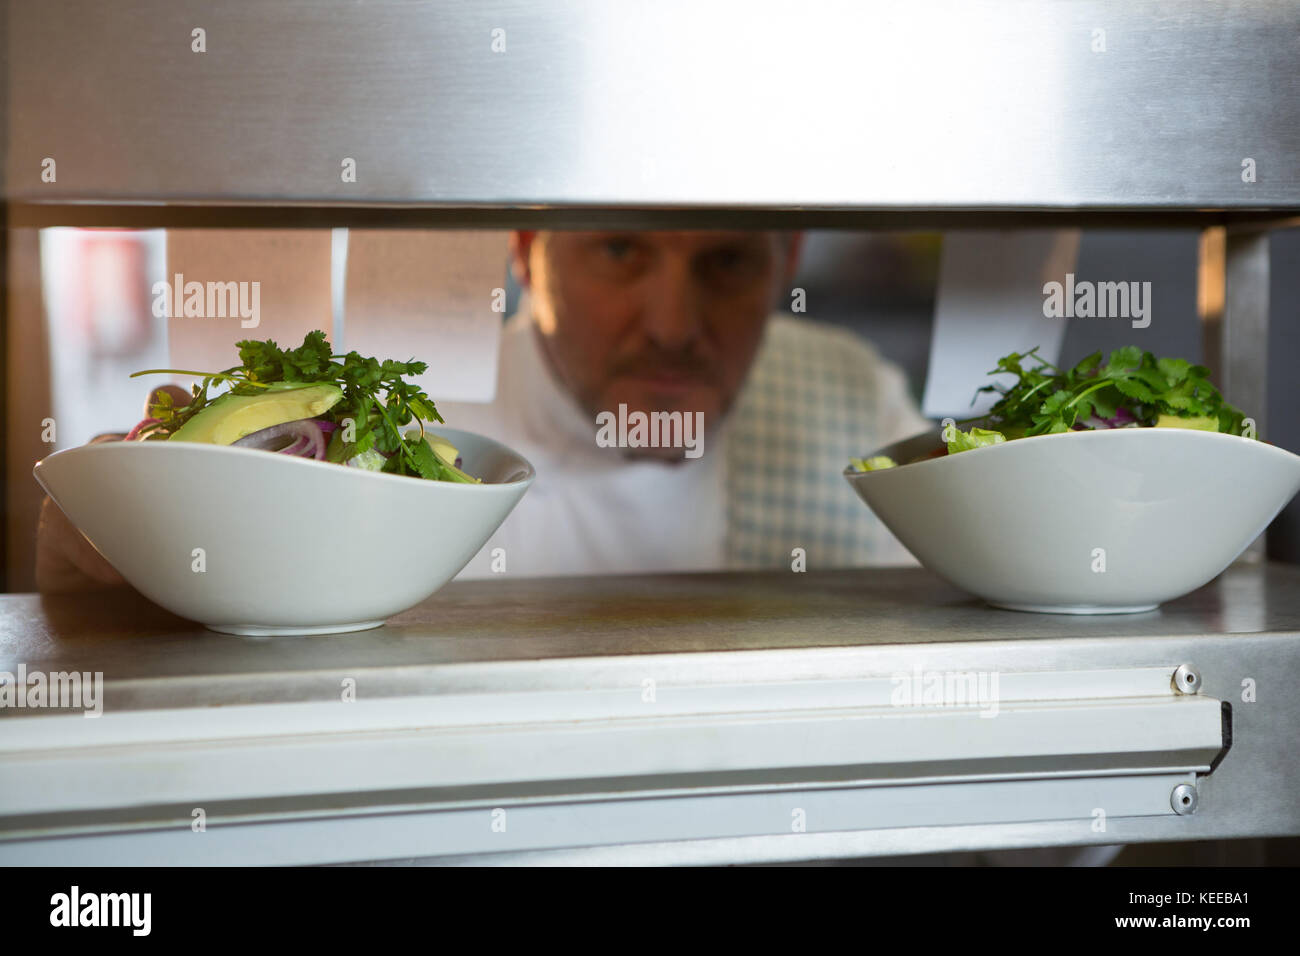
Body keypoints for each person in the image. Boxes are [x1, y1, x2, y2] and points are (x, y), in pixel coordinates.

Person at [37, 229, 930, 589]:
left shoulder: (850, 400)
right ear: (526, 250)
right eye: (620, 250)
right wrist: (107, 574)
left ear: (789, 261)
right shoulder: (397, 435)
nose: (672, 325)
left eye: (727, 263)